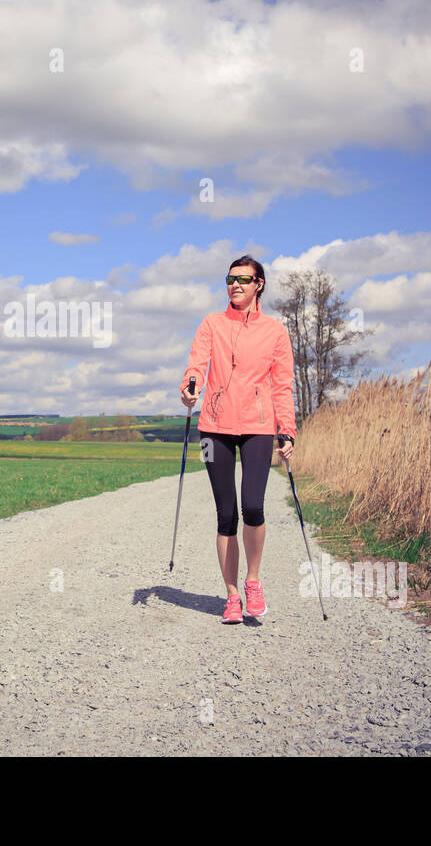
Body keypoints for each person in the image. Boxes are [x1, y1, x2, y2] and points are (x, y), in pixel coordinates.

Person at [179, 255, 297, 623]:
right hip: (212, 427)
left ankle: (253, 581)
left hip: (258, 428)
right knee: (226, 513)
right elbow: (196, 365)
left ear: (259, 284)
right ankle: (231, 596)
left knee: (254, 506)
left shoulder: (275, 331)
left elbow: (283, 385)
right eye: (230, 279)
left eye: (244, 279)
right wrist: (189, 388)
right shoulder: (211, 324)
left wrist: (287, 429)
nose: (236, 285)